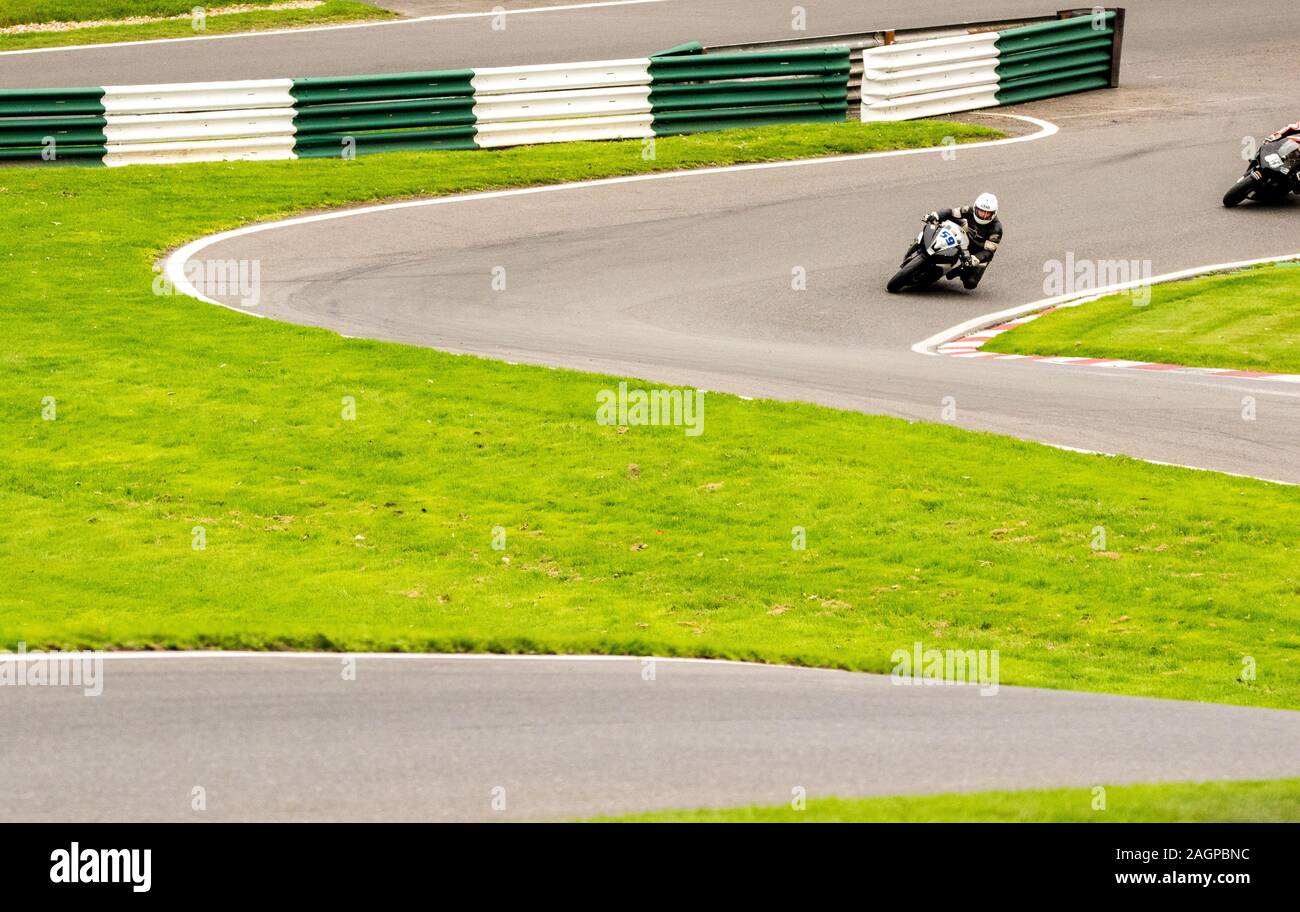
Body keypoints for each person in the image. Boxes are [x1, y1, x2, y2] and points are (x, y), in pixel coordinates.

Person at [924, 192, 1002, 290]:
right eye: (981, 211)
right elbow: (950, 212)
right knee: (945, 218)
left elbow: (989, 252)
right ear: (975, 208)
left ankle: (959, 270)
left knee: (970, 283)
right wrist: (936, 215)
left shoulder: (996, 229)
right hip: (963, 236)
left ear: (994, 213)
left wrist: (975, 259)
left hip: (978, 251)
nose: (983, 215)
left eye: (988, 213)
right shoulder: (969, 210)